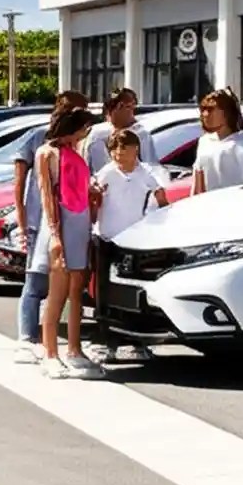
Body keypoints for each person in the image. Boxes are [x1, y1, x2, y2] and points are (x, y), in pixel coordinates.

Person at [12, 90, 88, 364]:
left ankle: (56, 341)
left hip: (69, 221)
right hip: (39, 220)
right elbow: (20, 182)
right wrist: (21, 219)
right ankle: (27, 339)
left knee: (63, 285)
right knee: (34, 282)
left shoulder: (77, 142)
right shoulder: (39, 141)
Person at [31, 107, 103, 379]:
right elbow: (47, 195)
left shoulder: (77, 153)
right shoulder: (48, 153)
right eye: (84, 127)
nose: (86, 132)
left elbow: (83, 191)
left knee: (76, 292)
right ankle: (50, 351)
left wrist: (94, 196)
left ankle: (74, 348)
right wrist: (54, 233)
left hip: (80, 224)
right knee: (57, 293)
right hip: (61, 225)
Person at [90, 128, 172, 364]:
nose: (118, 153)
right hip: (106, 238)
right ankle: (104, 340)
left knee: (130, 292)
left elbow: (161, 196)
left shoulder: (145, 173)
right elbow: (94, 198)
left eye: (124, 148)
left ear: (136, 149)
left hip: (132, 240)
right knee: (103, 292)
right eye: (114, 149)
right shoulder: (106, 173)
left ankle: (134, 342)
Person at [190, 87, 243, 196]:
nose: (205, 114)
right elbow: (197, 184)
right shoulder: (205, 141)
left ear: (227, 113)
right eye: (203, 109)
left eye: (210, 110)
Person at [87, 87, 157, 173]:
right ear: (112, 109)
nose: (132, 113)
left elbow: (152, 169)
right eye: (128, 107)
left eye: (133, 107)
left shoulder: (141, 135)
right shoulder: (96, 133)